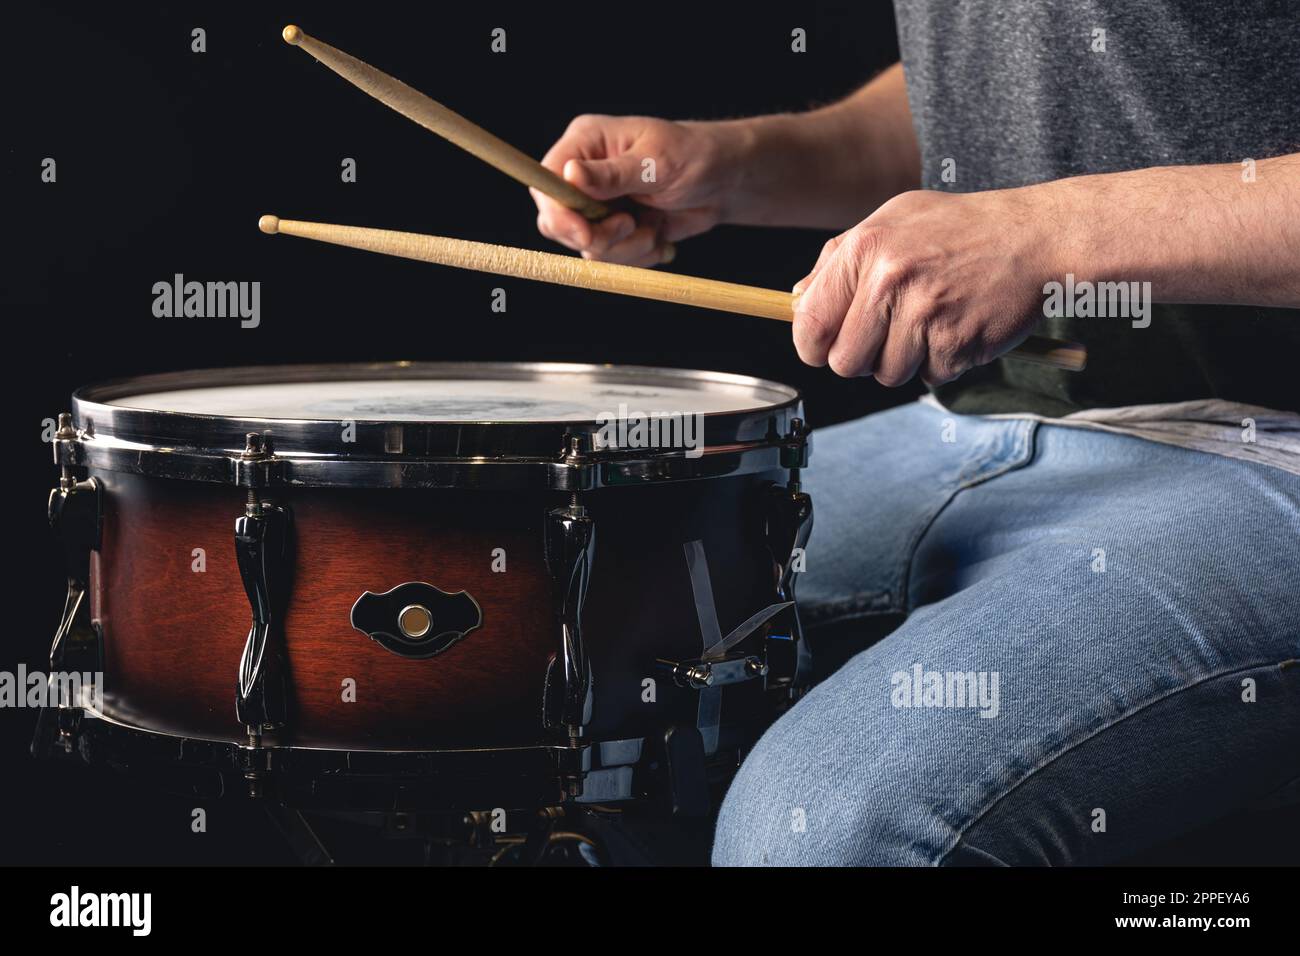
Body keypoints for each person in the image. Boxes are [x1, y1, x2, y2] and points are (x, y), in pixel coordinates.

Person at [532, 1, 1300, 865]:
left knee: (818, 834)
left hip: (1272, 451)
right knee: (537, 641)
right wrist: (743, 165)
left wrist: (1043, 232)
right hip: (975, 419)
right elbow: (1019, 93)